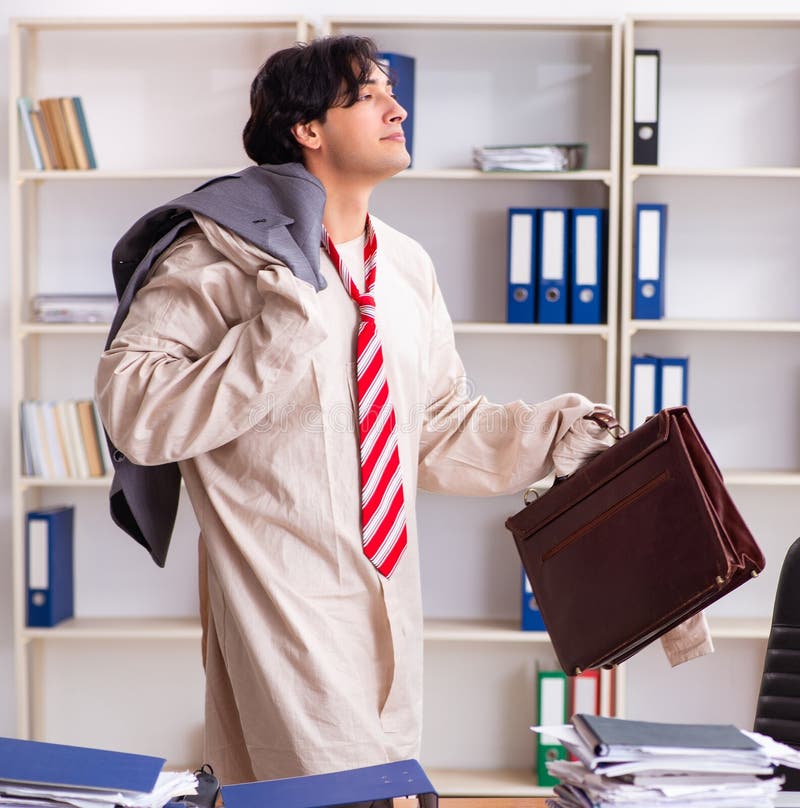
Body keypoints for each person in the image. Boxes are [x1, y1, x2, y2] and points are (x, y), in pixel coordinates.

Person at [95, 35, 712, 788]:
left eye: (392, 91)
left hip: (392, 611)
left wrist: (552, 431)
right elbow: (135, 411)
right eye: (368, 97)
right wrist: (277, 333)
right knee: (324, 794)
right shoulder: (220, 258)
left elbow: (436, 428)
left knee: (383, 791)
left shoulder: (406, 267)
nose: (399, 107)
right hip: (280, 607)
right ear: (308, 130)